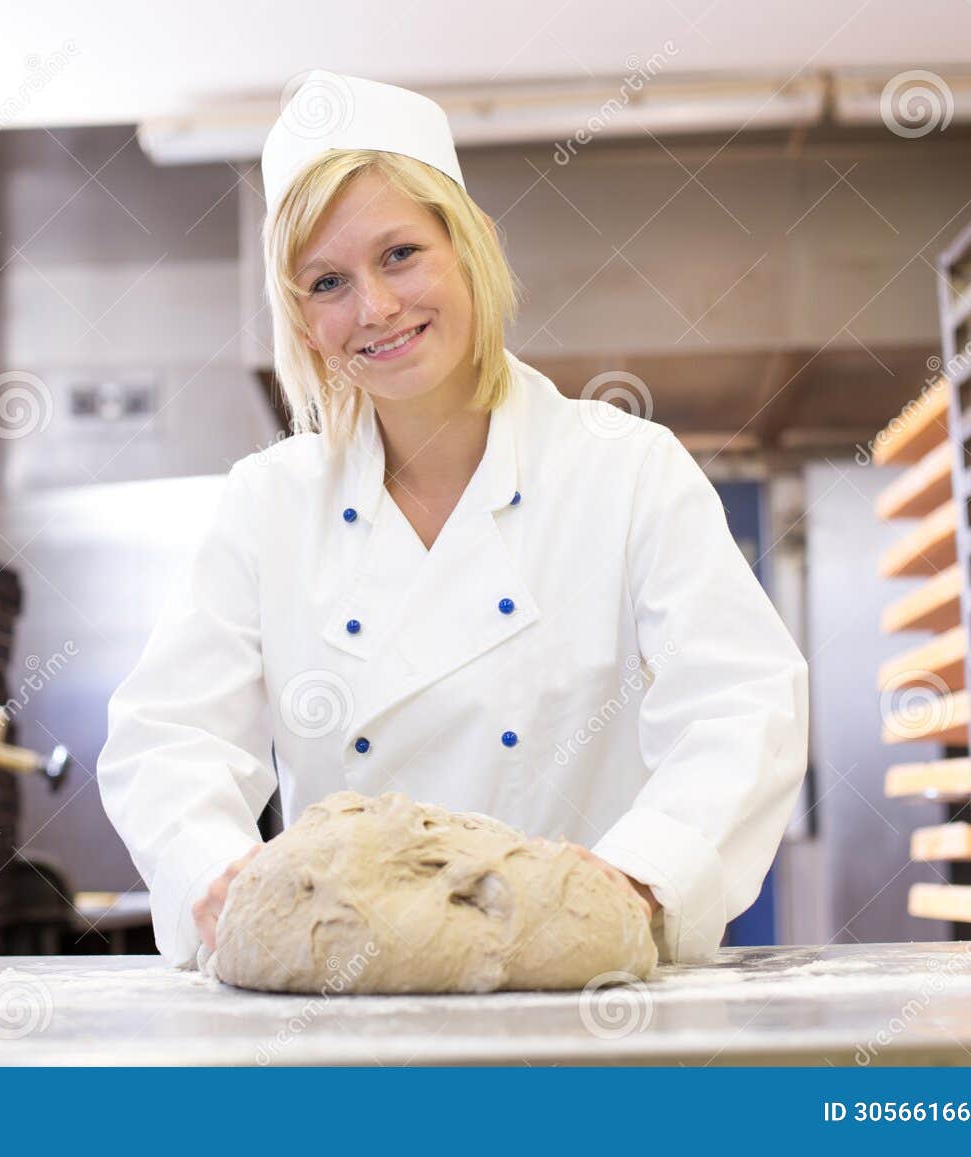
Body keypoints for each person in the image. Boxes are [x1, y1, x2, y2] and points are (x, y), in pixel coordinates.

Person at [98, 70, 808, 970]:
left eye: (399, 254)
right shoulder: (266, 502)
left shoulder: (627, 469)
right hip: (344, 1004)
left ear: (469, 245)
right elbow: (169, 735)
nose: (376, 309)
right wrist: (215, 874)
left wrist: (637, 878)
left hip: (579, 993)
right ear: (302, 321)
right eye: (327, 282)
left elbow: (740, 704)